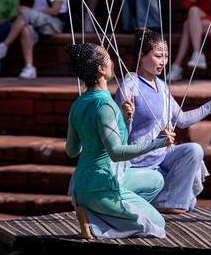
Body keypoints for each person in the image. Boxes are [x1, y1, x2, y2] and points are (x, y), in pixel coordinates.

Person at [65, 42, 172, 240]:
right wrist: (158, 142)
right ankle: (94, 218)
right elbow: (116, 152)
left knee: (156, 180)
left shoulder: (78, 103)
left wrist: (116, 122)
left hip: (82, 184)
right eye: (108, 58)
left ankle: (107, 212)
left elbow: (72, 150)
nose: (113, 61)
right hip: (102, 186)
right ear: (101, 69)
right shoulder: (106, 105)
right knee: (157, 224)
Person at [115, 30, 211, 214]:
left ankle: (170, 200)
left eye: (166, 56)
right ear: (141, 55)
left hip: (161, 158)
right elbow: (121, 130)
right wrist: (125, 115)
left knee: (194, 150)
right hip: (139, 163)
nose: (163, 62)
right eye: (158, 56)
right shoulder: (130, 85)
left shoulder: (161, 85)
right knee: (187, 201)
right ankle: (168, 200)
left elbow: (181, 120)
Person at [0, 0, 69, 80]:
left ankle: (4, 45)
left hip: (55, 21)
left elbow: (55, 10)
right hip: (39, 19)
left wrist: (31, 12)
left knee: (25, 14)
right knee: (25, 28)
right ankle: (29, 67)